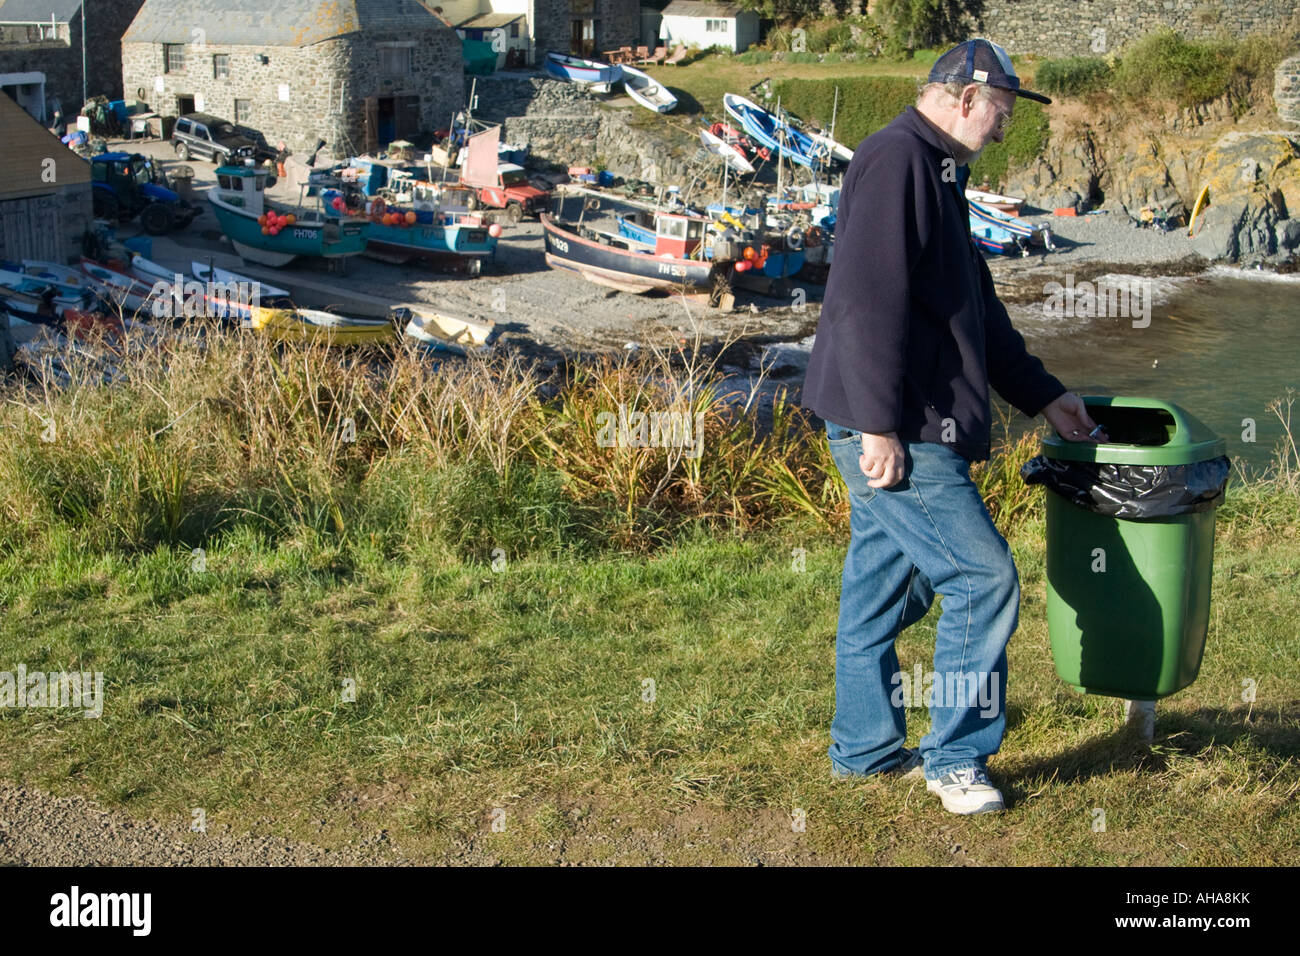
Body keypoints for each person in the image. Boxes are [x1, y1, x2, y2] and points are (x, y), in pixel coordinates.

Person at [801, 38, 1106, 815]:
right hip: (900, 427)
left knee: (879, 594)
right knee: (980, 577)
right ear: (966, 97)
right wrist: (876, 426)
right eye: (1002, 111)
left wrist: (1043, 396)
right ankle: (957, 760)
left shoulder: (939, 170)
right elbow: (868, 301)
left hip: (899, 421)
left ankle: (864, 751)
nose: (1006, 129)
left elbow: (975, 315)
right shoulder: (898, 159)